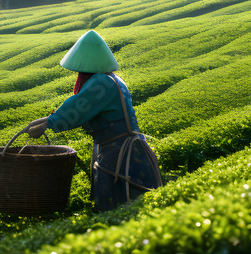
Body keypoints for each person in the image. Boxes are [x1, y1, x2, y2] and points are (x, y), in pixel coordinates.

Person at [26, 30, 163, 212]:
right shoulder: (111, 79)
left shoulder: (101, 82)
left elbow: (78, 107)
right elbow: (82, 104)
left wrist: (47, 123)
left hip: (119, 150)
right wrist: (43, 121)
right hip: (120, 146)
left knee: (117, 203)